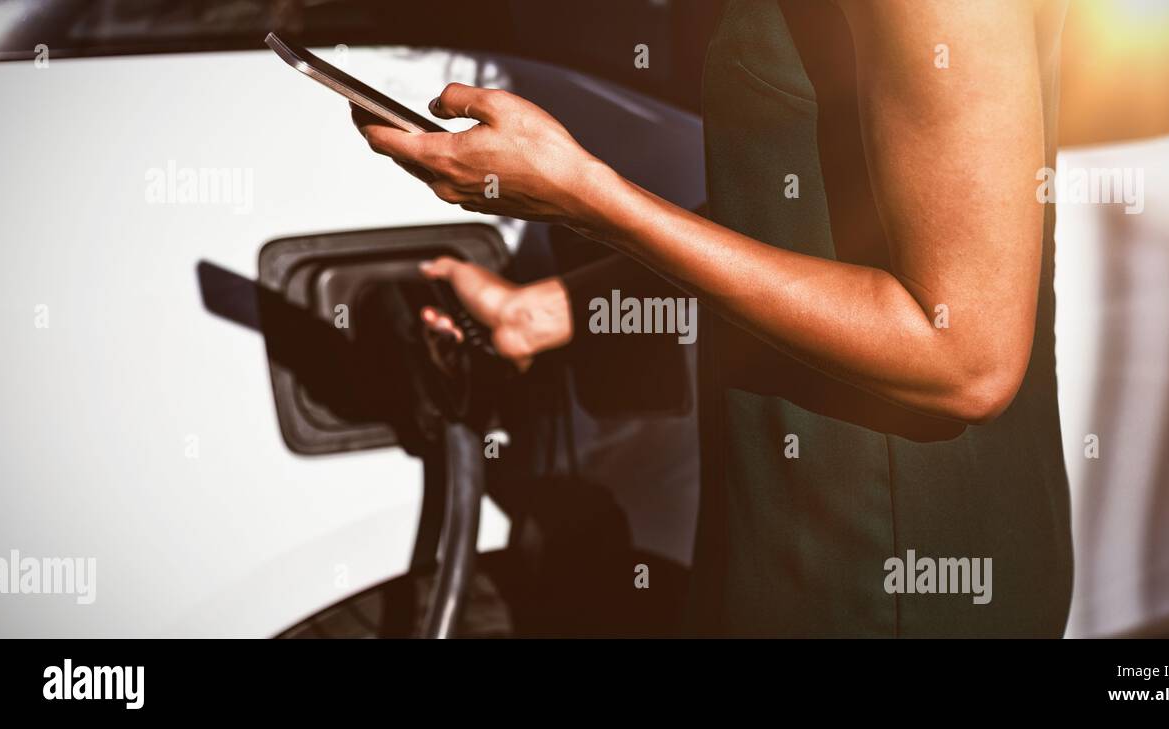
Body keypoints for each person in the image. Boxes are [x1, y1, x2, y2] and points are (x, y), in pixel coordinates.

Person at [353, 0, 1073, 637]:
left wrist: (589, 197)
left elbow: (966, 359)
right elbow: (803, 215)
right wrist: (548, 309)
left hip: (895, 575)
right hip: (779, 541)